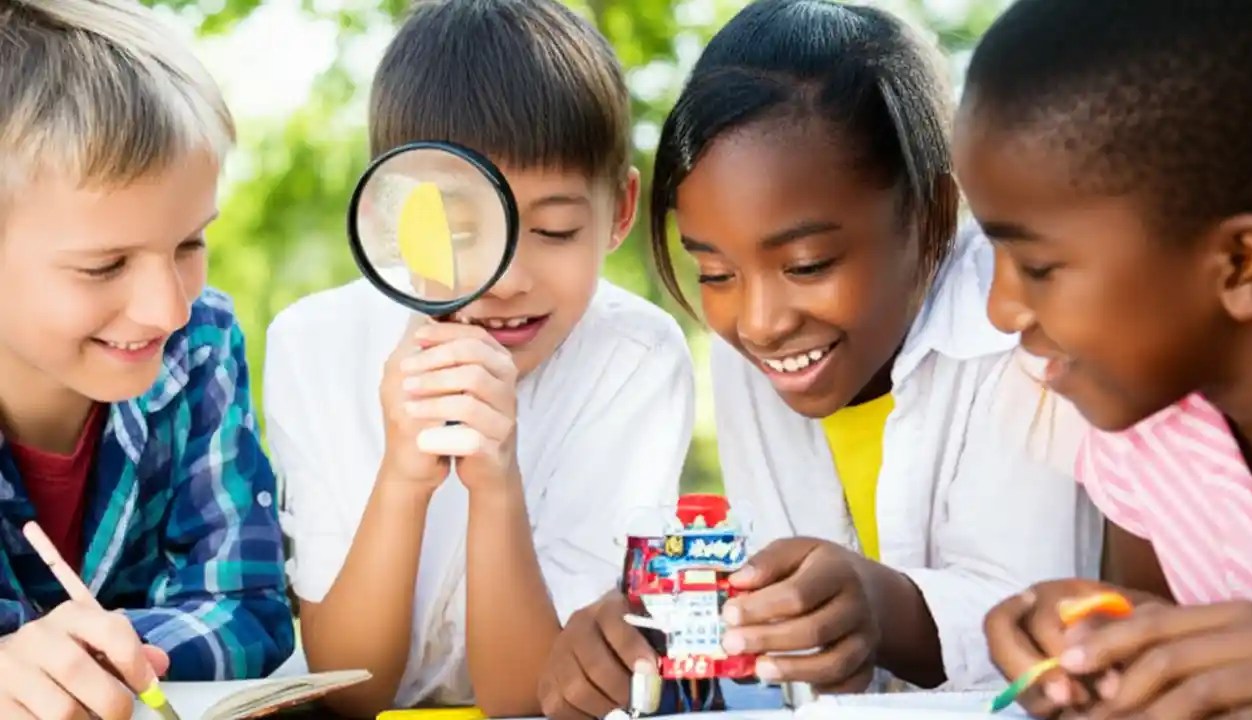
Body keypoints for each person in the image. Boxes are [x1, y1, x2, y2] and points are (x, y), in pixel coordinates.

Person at [537, 2, 1100, 717]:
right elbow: (789, 660)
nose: (761, 322)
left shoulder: (1021, 331)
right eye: (715, 274)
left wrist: (883, 609)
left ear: (931, 210)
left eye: (807, 264)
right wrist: (647, 636)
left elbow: (1047, 628)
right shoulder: (756, 356)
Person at [262, 0, 695, 716]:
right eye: (461, 234)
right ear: (395, 217)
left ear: (619, 210)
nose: (508, 279)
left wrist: (496, 486)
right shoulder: (315, 345)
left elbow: (530, 700)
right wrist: (403, 479)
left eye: (555, 230)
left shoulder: (637, 360)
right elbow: (347, 693)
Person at [955, 1, 1252, 717]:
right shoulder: (1145, 444)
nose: (1001, 312)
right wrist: (1108, 638)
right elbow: (1162, 636)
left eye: (1037, 265)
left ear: (1239, 265)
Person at [0, 1, 295, 718]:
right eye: (104, 266)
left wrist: (84, 654)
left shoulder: (200, 344)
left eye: (190, 244)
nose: (168, 308)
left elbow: (249, 610)